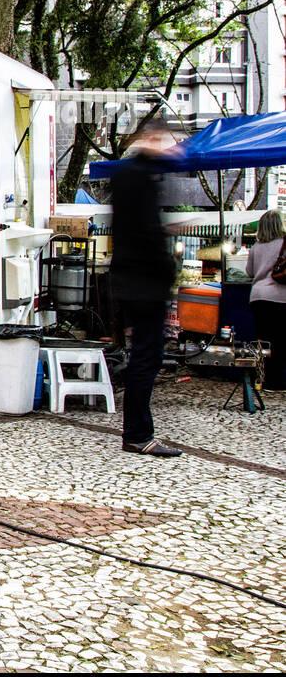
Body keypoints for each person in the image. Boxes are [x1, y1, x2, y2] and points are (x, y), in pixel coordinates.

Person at [110, 120, 181, 457]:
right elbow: (146, 233)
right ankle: (138, 434)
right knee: (146, 358)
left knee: (144, 356)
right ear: (151, 139)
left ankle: (137, 432)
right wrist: (168, 271)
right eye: (165, 140)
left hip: (132, 282)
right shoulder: (141, 176)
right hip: (145, 283)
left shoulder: (128, 174)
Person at [244, 208, 286, 390]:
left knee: (262, 341)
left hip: (258, 297)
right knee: (280, 341)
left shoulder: (255, 247)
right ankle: (276, 381)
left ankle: (260, 379)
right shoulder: (284, 243)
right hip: (280, 297)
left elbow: (249, 272)